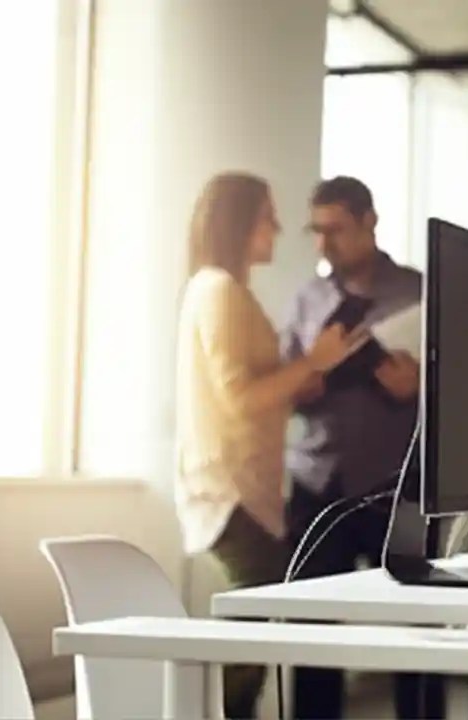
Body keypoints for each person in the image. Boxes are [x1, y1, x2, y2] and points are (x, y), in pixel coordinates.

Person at [174, 172, 351, 718]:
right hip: (229, 492)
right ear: (241, 223)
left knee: (253, 634)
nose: (276, 228)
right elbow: (240, 399)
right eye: (267, 217)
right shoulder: (220, 292)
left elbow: (254, 394)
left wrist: (300, 384)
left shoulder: (227, 291)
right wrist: (312, 362)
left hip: (245, 490)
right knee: (251, 636)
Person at [280, 176, 444, 719]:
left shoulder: (420, 293)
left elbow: (461, 385)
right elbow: (284, 388)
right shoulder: (306, 300)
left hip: (396, 484)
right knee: (310, 632)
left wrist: (418, 386)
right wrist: (311, 375)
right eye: (316, 231)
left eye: (336, 229)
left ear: (370, 222)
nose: (323, 243)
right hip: (316, 483)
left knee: (418, 629)